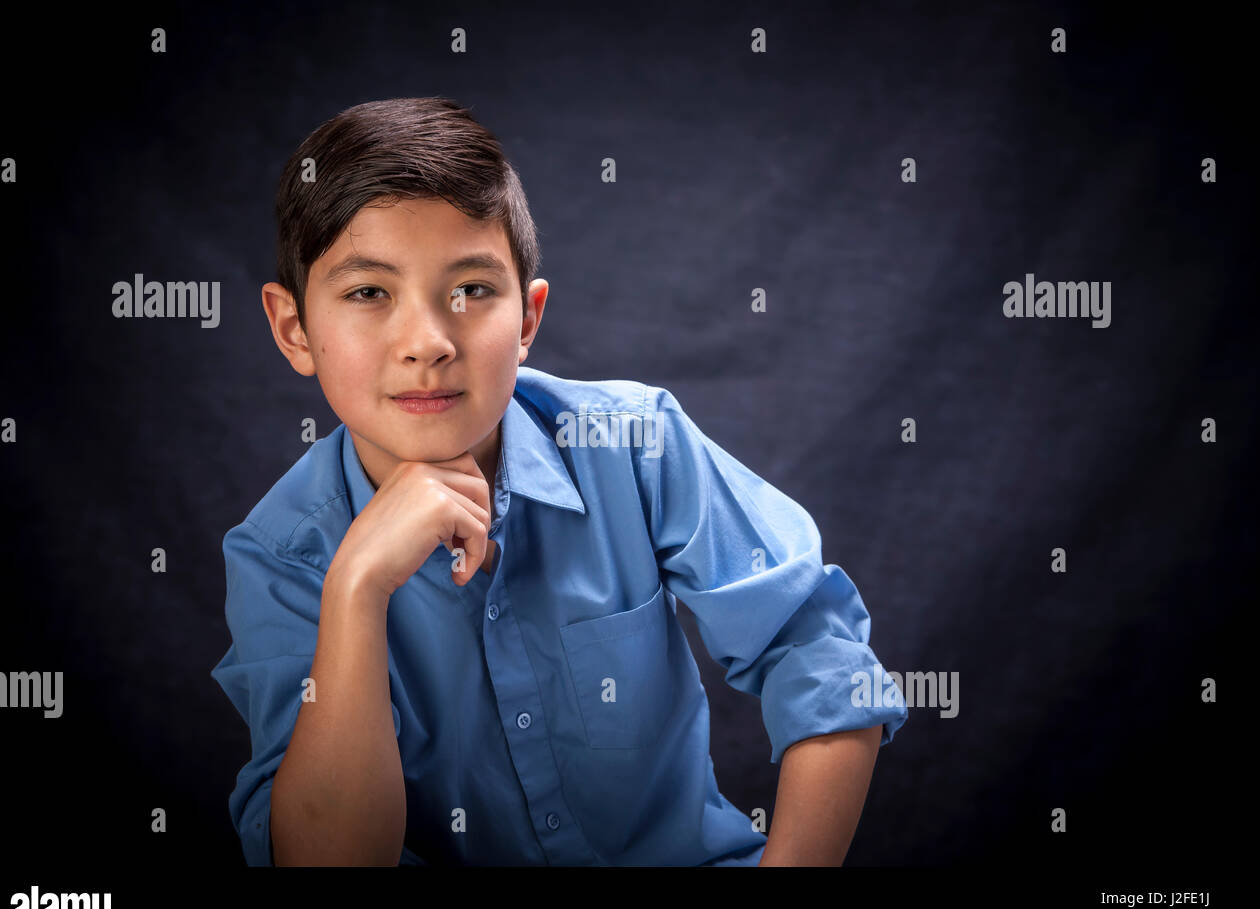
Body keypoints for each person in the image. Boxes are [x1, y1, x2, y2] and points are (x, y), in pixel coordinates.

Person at [210, 96, 908, 867]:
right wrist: (356, 590)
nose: (428, 342)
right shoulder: (281, 555)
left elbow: (819, 652)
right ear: (293, 330)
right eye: (369, 292)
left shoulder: (635, 444)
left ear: (529, 318)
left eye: (472, 290)